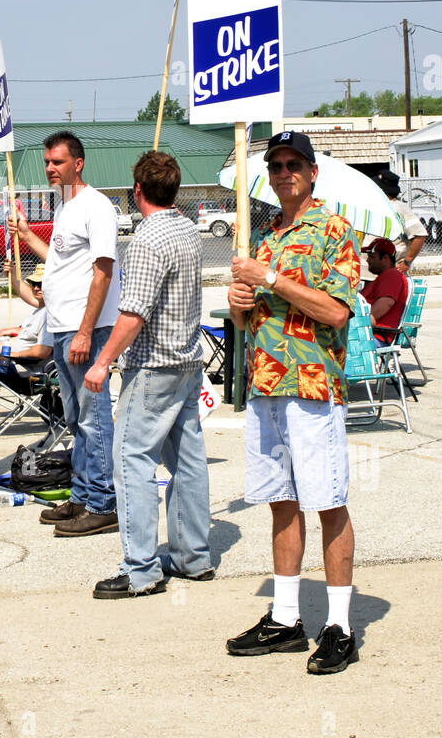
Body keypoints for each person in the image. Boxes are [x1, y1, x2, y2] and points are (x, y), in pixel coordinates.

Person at [226, 130, 361, 675]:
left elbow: (336, 313)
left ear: (311, 172)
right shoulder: (267, 236)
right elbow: (250, 319)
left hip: (312, 388)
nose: (283, 173)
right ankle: (285, 618)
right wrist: (239, 304)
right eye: (275, 165)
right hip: (266, 386)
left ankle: (340, 626)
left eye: (293, 164)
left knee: (326, 500)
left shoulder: (334, 231)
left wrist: (272, 279)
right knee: (281, 500)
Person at [84, 151, 213, 596]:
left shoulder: (146, 240)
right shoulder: (189, 230)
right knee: (188, 462)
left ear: (137, 190)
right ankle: (193, 557)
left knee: (131, 461)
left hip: (153, 364)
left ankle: (140, 568)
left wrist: (103, 362)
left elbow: (133, 313)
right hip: (186, 361)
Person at [8, 130, 119, 536]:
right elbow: (59, 262)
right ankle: (83, 496)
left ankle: (104, 503)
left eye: (58, 162)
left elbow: (102, 270)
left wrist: (86, 331)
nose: (51, 168)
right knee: (74, 417)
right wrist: (25, 235)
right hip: (61, 326)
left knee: (94, 416)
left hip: (83, 329)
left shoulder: (96, 206)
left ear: (78, 163)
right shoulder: (66, 209)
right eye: (48, 162)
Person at [0, 262, 53, 439]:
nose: (36, 288)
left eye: (41, 284)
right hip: (16, 362)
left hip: (30, 372)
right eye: (34, 284)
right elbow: (21, 342)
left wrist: (7, 353)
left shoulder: (50, 314)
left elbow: (41, 352)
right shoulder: (40, 309)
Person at [373, 170, 426, 275]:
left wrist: (406, 262)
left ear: (382, 190)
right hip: (372, 273)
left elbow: (420, 235)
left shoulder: (398, 208)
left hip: (390, 272)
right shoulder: (375, 206)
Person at [360, 237, 408, 342]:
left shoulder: (392, 275)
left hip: (374, 336)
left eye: (372, 257)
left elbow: (386, 303)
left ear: (386, 258)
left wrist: (359, 320)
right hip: (368, 333)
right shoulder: (385, 277)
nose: (368, 260)